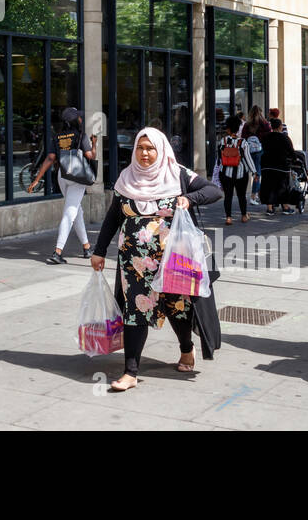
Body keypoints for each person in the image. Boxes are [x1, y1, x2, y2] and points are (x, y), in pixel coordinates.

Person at [90, 128, 223, 391]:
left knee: (178, 309)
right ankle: (130, 372)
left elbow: (214, 191)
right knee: (135, 312)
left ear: (161, 149)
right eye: (140, 148)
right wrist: (99, 250)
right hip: (134, 264)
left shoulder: (177, 173)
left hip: (173, 260)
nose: (145, 153)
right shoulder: (126, 179)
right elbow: (113, 219)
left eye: (150, 148)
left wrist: (188, 198)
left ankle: (187, 349)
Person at [29, 107, 98, 264]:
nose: (81, 119)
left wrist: (36, 179)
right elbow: (90, 156)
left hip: (62, 175)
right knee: (70, 212)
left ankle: (87, 248)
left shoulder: (57, 136)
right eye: (79, 118)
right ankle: (57, 252)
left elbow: (50, 158)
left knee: (76, 211)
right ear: (76, 121)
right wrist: (94, 144)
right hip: (77, 175)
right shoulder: (81, 135)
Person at [217, 114, 255, 225]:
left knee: (228, 196)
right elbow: (248, 158)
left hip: (225, 173)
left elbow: (220, 157)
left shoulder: (223, 141)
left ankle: (228, 217)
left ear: (228, 129)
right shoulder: (243, 142)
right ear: (238, 128)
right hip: (241, 173)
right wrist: (254, 171)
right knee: (241, 195)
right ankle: (244, 216)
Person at [258, 118, 296, 214]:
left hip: (267, 165)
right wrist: (294, 159)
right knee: (283, 186)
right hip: (281, 166)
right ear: (280, 127)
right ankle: (285, 207)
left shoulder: (265, 137)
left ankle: (270, 208)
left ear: (271, 126)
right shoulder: (285, 138)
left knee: (268, 186)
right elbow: (291, 151)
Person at [241, 105, 270, 204]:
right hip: (260, 151)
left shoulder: (247, 124)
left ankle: (246, 194)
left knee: (246, 172)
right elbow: (268, 136)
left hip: (248, 151)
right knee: (258, 173)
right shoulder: (264, 124)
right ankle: (253, 196)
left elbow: (243, 137)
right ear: (260, 113)